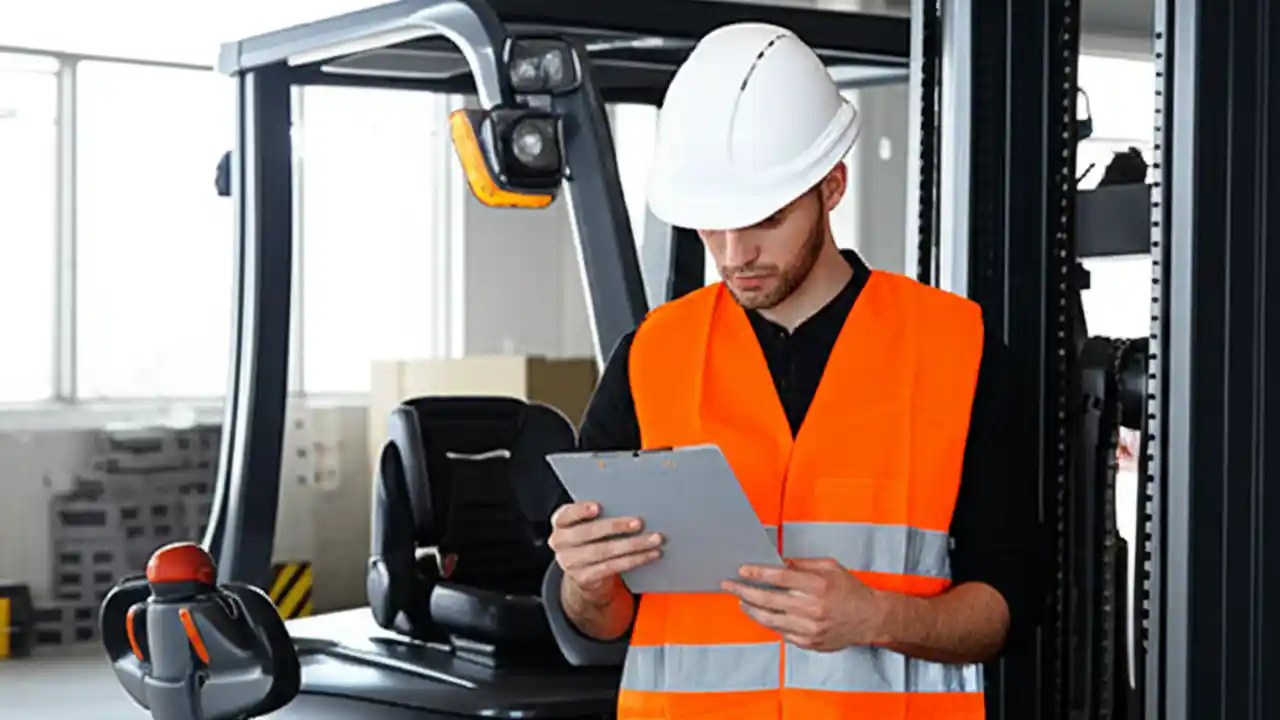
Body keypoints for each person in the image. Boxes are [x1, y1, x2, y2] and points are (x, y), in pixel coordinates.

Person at [546, 22, 1038, 720]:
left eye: (764, 220)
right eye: (711, 227)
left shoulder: (960, 351)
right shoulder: (652, 355)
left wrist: (876, 617)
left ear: (831, 186)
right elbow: (598, 622)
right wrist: (584, 584)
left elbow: (1009, 606)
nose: (735, 252)